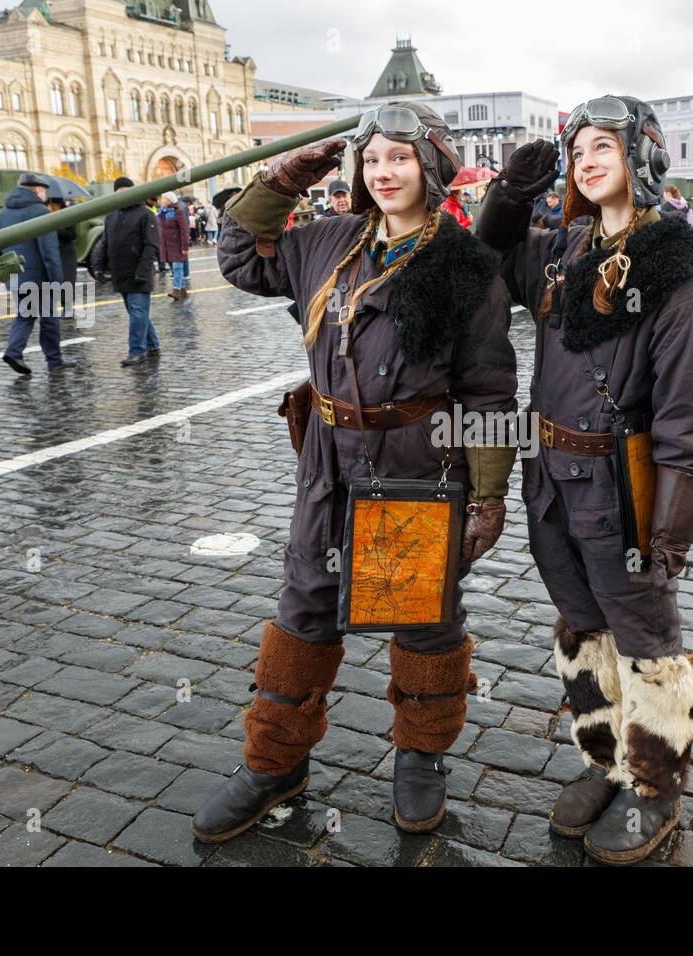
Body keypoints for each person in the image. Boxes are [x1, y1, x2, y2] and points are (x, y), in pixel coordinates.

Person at [196, 101, 519, 841]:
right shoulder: (329, 241)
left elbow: (490, 392)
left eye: (399, 159)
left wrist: (489, 498)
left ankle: (420, 757)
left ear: (431, 168)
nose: (384, 173)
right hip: (327, 461)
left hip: (415, 464)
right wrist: (278, 180)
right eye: (372, 161)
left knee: (424, 618)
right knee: (304, 608)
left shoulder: (465, 267)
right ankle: (274, 760)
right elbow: (244, 259)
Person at [477, 94, 693, 865]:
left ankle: (653, 785)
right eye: (577, 149)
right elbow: (491, 260)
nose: (587, 161)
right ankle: (606, 762)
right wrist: (510, 195)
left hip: (619, 490)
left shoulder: (683, 279)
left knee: (648, 642)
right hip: (550, 479)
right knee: (583, 628)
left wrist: (670, 536)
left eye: (604, 148)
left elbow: (691, 422)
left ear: (643, 160)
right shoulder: (564, 251)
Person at [0, 172, 72, 375]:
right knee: (49, 319)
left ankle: (14, 351)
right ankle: (54, 361)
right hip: (38, 277)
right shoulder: (40, 211)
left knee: (25, 315)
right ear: (38, 190)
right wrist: (57, 280)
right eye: (44, 191)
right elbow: (48, 250)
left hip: (15, 274)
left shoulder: (5, 212)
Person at [91, 176, 161, 367]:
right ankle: (152, 344)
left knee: (138, 313)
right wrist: (98, 266)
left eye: (125, 192)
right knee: (136, 313)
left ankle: (136, 351)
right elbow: (105, 243)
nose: (121, 196)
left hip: (139, 274)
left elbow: (151, 246)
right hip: (120, 274)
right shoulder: (111, 216)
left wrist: (143, 270)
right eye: (118, 193)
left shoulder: (146, 214)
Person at [45, 189, 79, 320]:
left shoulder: (68, 215)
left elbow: (72, 235)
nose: (50, 206)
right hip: (52, 251)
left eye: (51, 204)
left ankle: (68, 308)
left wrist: (56, 227)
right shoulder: (46, 215)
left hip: (66, 253)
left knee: (67, 281)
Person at [158, 192, 190, 299]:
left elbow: (184, 230)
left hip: (177, 245)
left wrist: (185, 247)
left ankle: (176, 290)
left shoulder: (179, 212)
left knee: (177, 268)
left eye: (163, 199)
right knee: (174, 269)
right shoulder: (162, 213)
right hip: (167, 247)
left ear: (169, 200)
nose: (161, 201)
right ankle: (183, 289)